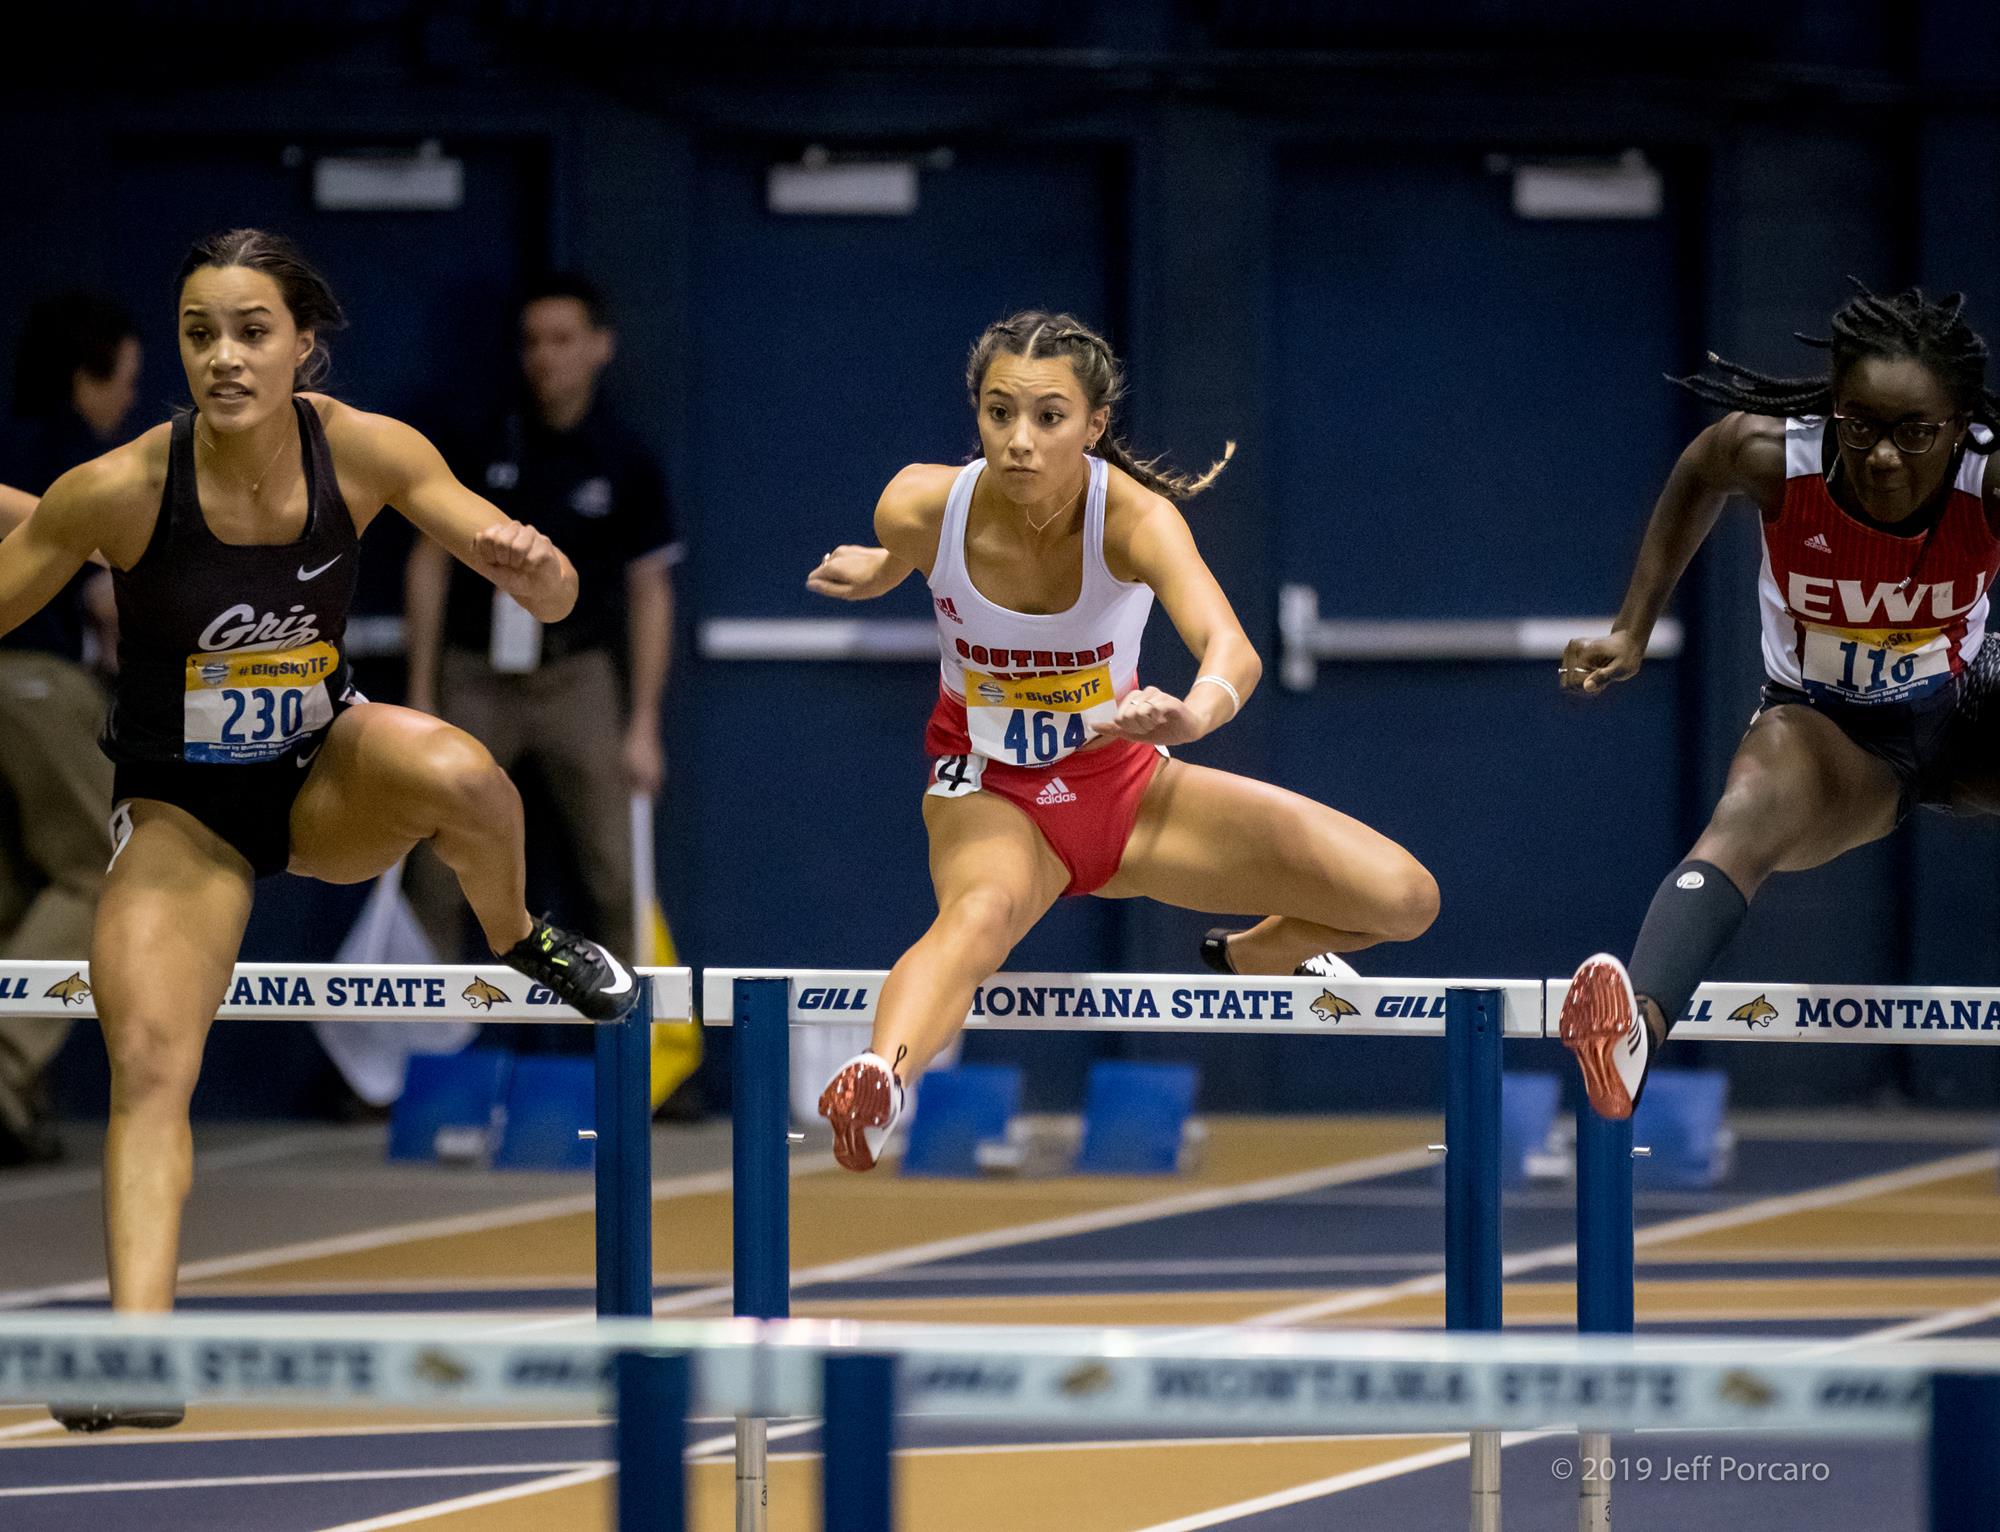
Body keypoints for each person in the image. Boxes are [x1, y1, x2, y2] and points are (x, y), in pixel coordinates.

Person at [0, 228, 637, 1429]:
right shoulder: (124, 486)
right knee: (147, 1067)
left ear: (304, 346)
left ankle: (511, 939)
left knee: (466, 773)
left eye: (251, 333)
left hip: (323, 772)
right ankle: (141, 1352)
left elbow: (540, 586)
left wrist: (537, 570)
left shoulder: (367, 449)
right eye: (199, 335)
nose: (224, 358)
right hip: (184, 811)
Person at [806, 311, 1439, 1171]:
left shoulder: (1135, 521)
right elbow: (904, 547)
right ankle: (880, 1081)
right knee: (980, 915)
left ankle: (1253, 957)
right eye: (999, 414)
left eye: (1048, 417)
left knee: (1402, 898)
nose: (1019, 441)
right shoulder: (920, 501)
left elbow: (1232, 649)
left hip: (1131, 792)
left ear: (1094, 426)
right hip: (992, 791)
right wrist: (877, 570)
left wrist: (1194, 715)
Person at [1558, 282, 2000, 1120]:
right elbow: (1698, 472)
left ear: (1960, 425)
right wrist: (1631, 628)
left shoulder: (1990, 477)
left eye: (1915, 434)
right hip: (1831, 735)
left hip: (1965, 710)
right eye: (1861, 423)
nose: (1881, 456)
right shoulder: (1771, 455)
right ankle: (1633, 1035)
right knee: (1751, 805)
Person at [403, 274, 679, 977]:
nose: (544, 357)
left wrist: (643, 721)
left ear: (599, 347)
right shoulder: (476, 438)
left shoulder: (626, 457)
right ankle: (405, 1063)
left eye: (562, 340)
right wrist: (421, 694)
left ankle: (640, 1064)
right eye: (532, 342)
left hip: (576, 677)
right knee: (434, 862)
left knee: (614, 870)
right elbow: (429, 563)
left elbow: (652, 591)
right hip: (475, 674)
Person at [0, 293, 143, 1165]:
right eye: (123, 381)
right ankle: (5, 1065)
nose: (128, 400)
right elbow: (105, 597)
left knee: (15, 890)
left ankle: (18, 1107)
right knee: (100, 870)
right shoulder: (78, 467)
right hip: (41, 682)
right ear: (87, 376)